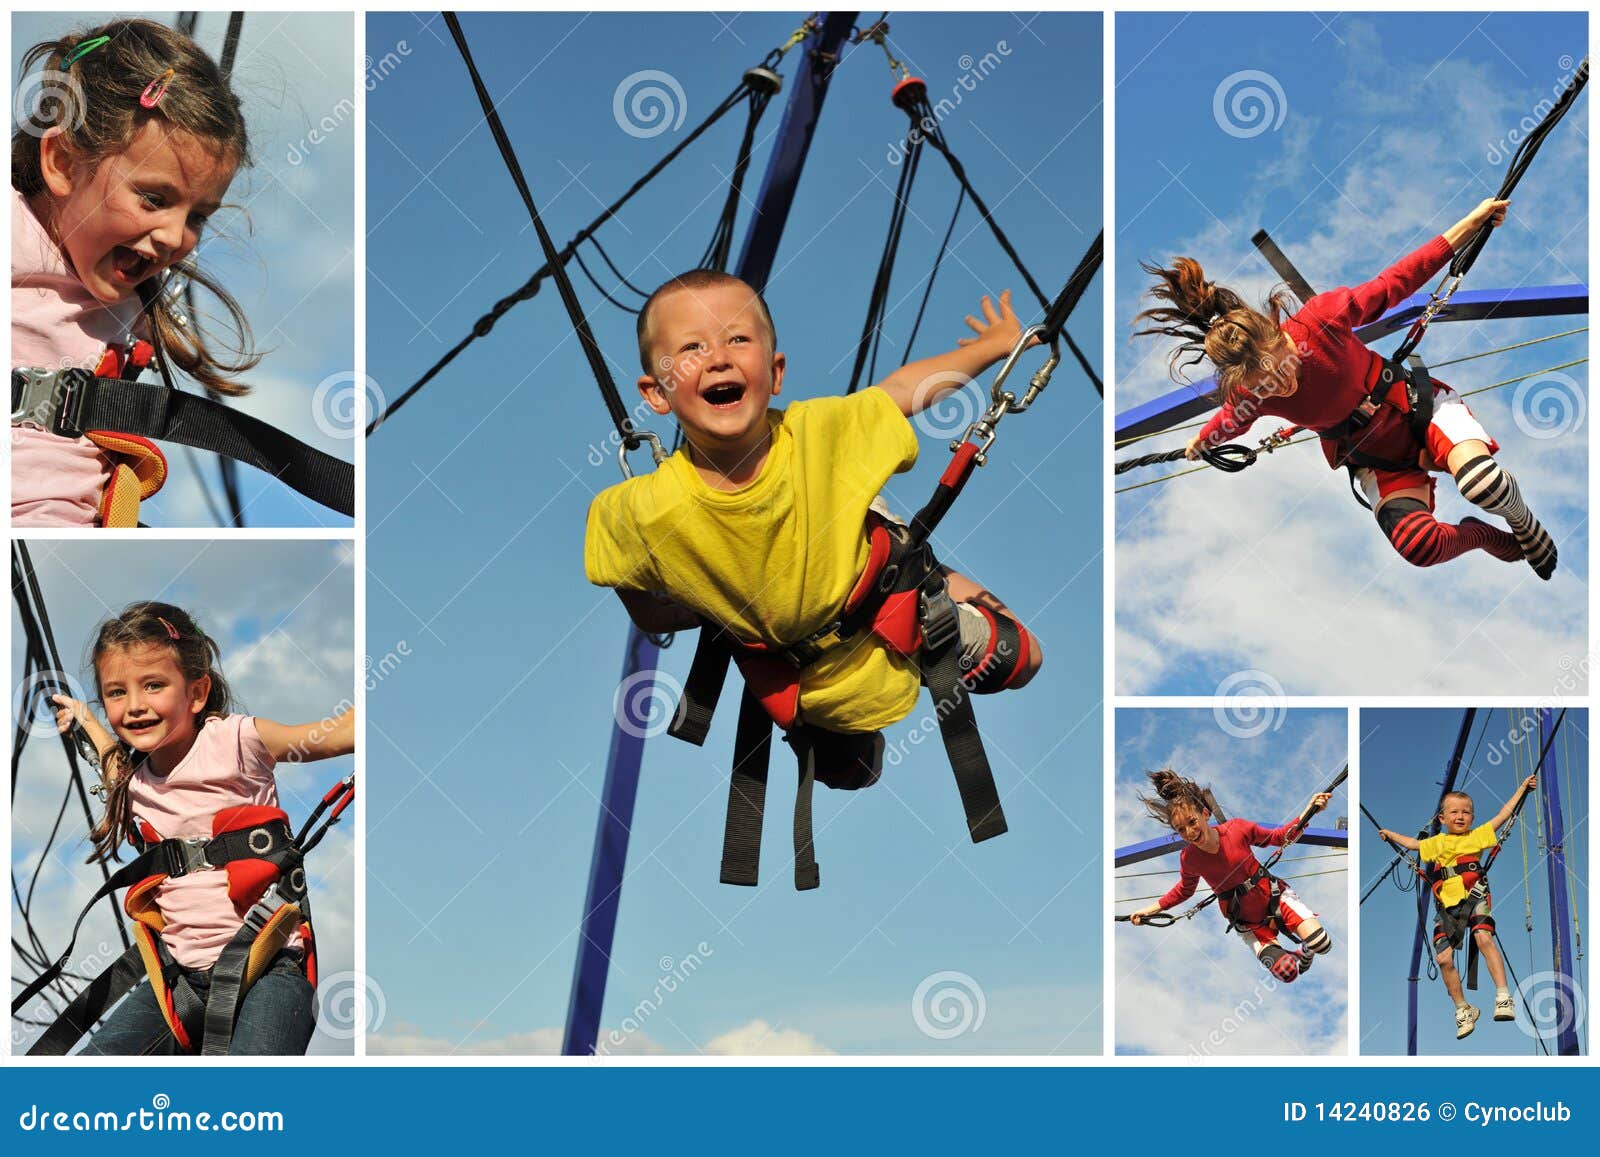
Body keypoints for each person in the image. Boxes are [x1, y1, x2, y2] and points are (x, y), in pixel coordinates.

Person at [585, 269, 1042, 779]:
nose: (719, 356)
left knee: (1022, 659)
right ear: (656, 393)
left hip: (884, 592)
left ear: (775, 373)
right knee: (849, 773)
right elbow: (646, 608)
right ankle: (847, 740)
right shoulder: (637, 513)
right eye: (692, 347)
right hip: (814, 678)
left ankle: (945, 610)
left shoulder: (820, 430)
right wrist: (719, 601)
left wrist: (995, 347)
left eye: (738, 338)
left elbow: (901, 391)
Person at [1135, 198, 1556, 579]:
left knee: (1482, 484)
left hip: (1417, 411)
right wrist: (1199, 442)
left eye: (1279, 367)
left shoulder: (1320, 321)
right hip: (1375, 459)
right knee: (1419, 547)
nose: (1279, 385)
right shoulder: (1250, 394)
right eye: (1264, 384)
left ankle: (1521, 521)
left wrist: (1469, 223)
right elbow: (1228, 422)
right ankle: (1484, 537)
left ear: (1281, 336)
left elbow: (1398, 280)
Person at [50, 601, 354, 1055]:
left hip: (270, 969)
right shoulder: (133, 781)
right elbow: (112, 757)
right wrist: (86, 721)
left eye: (154, 686)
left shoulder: (237, 741)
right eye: (116, 693)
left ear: (196, 693)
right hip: (180, 981)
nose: (134, 706)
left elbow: (331, 736)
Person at [12, 18, 259, 526]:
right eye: (153, 198)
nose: (175, 237)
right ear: (61, 162)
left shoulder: (130, 304)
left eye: (197, 217)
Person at [1129, 769, 1334, 982]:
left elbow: (1278, 837)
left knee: (1322, 944)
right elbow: (1184, 890)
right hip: (1247, 921)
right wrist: (1147, 911)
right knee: (1287, 972)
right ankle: (1295, 954)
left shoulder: (1237, 829)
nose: (1190, 832)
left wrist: (1309, 811)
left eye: (1192, 822)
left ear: (1205, 815)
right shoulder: (1189, 858)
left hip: (1275, 898)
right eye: (1181, 829)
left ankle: (1306, 950)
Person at [1378, 775, 1537, 1040]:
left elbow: (1503, 814)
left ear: (1472, 818)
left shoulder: (1478, 836)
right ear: (1442, 818)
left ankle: (1503, 996)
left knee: (1484, 938)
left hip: (1476, 898)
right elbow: (1413, 844)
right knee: (1443, 959)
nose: (1460, 816)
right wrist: (1390, 835)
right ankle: (1464, 1010)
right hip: (1447, 909)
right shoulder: (1437, 843)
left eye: (1466, 812)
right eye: (1454, 812)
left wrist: (1522, 788)